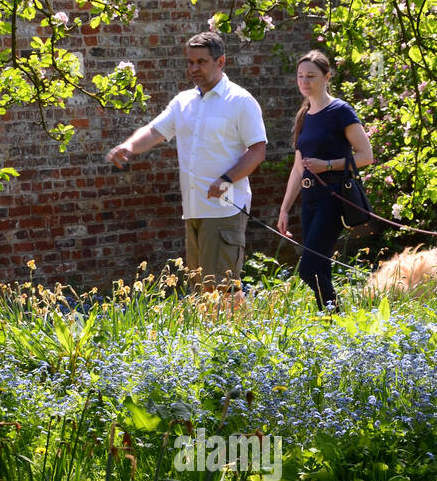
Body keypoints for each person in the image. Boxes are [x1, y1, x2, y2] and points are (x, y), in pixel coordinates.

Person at [107, 33, 267, 285]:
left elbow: (257, 150)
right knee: (203, 288)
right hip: (193, 209)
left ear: (221, 61)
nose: (193, 68)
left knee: (218, 288)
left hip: (224, 209)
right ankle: (245, 326)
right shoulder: (183, 102)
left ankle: (240, 325)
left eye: (201, 62)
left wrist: (227, 179)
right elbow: (154, 131)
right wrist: (128, 146)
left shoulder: (240, 101)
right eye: (190, 62)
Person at [278, 50, 374, 311]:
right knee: (320, 266)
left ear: (326, 77)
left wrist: (328, 165)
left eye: (311, 76)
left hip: (333, 196)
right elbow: (298, 168)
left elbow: (366, 156)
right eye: (300, 76)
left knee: (308, 268)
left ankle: (336, 312)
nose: (304, 82)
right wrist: (285, 208)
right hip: (309, 199)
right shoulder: (303, 116)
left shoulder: (340, 111)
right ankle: (329, 322)